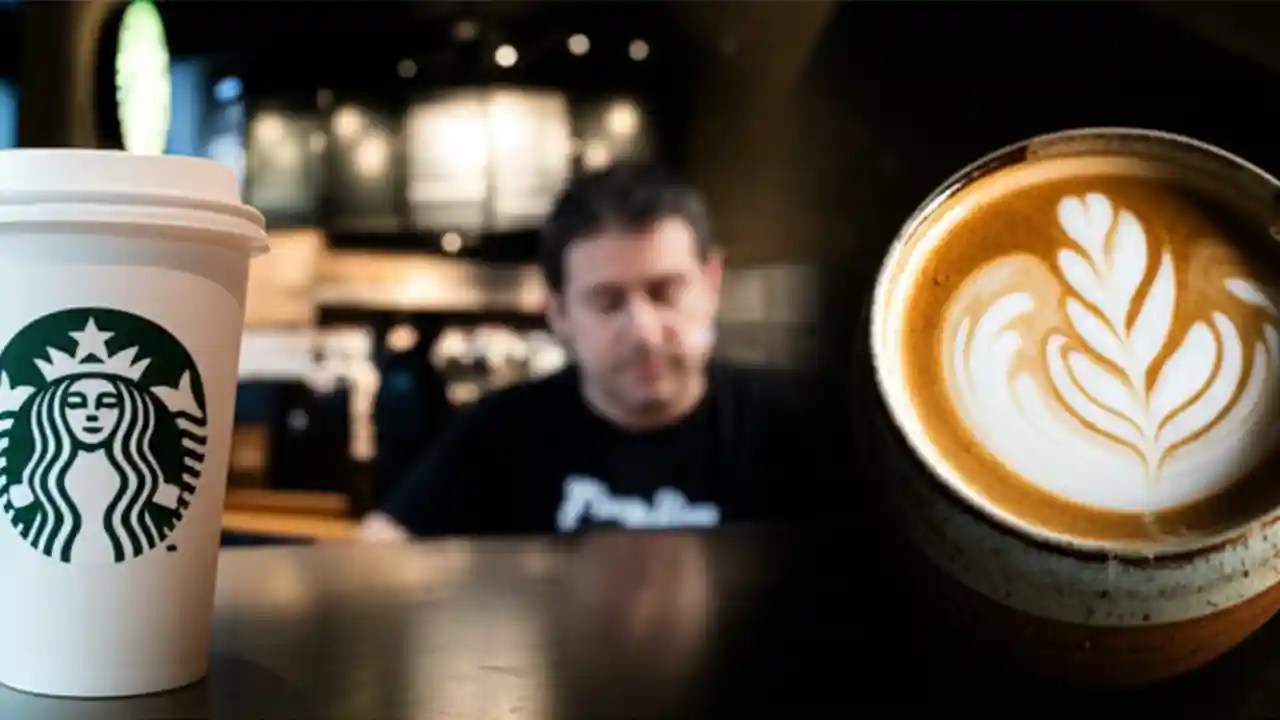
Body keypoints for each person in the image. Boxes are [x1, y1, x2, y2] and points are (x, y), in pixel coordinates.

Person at [359, 161, 822, 540]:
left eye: (665, 292)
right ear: (559, 314)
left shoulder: (801, 426)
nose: (644, 332)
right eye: (607, 303)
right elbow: (381, 549)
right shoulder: (500, 433)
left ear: (712, 283)